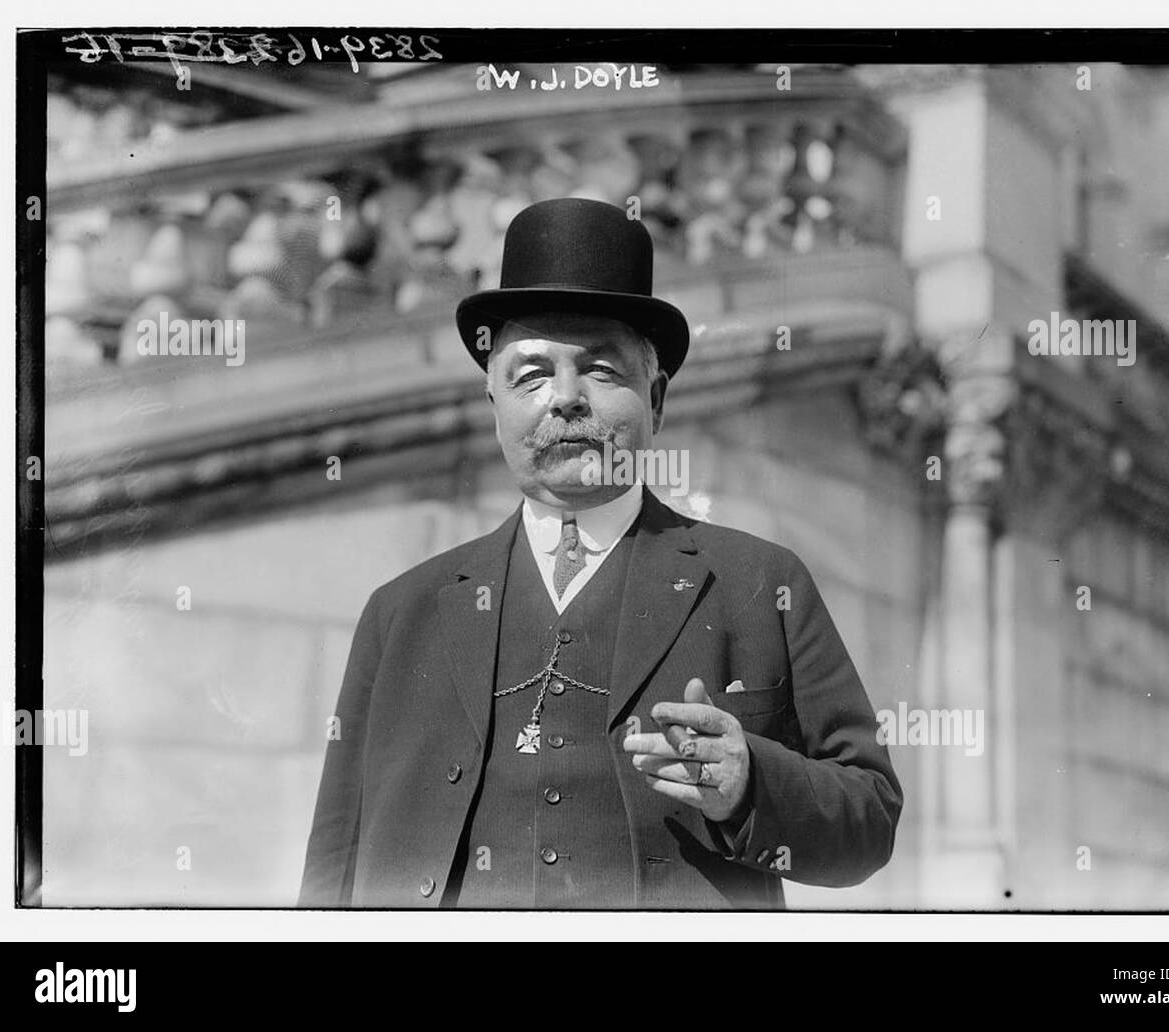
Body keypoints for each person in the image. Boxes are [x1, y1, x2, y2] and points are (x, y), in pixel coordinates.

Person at [299, 197, 901, 908]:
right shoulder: (400, 614)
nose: (564, 399)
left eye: (602, 371)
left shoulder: (760, 583)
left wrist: (749, 782)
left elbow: (870, 818)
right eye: (528, 375)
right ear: (493, 402)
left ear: (657, 400)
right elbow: (332, 870)